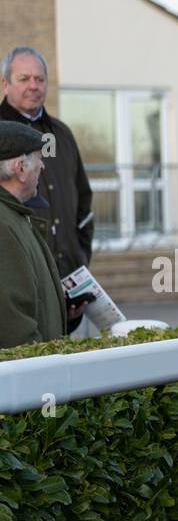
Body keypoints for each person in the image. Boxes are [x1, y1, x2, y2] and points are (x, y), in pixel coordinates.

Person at [0, 47, 94, 279]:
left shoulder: (61, 134)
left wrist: (80, 256)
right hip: (20, 280)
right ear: (5, 84)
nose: (33, 85)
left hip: (69, 276)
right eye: (24, 79)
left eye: (39, 79)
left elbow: (83, 200)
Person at [0, 121, 68, 348]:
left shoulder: (14, 214)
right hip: (29, 377)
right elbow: (14, 325)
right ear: (20, 168)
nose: (43, 166)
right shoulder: (3, 224)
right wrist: (43, 374)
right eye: (40, 158)